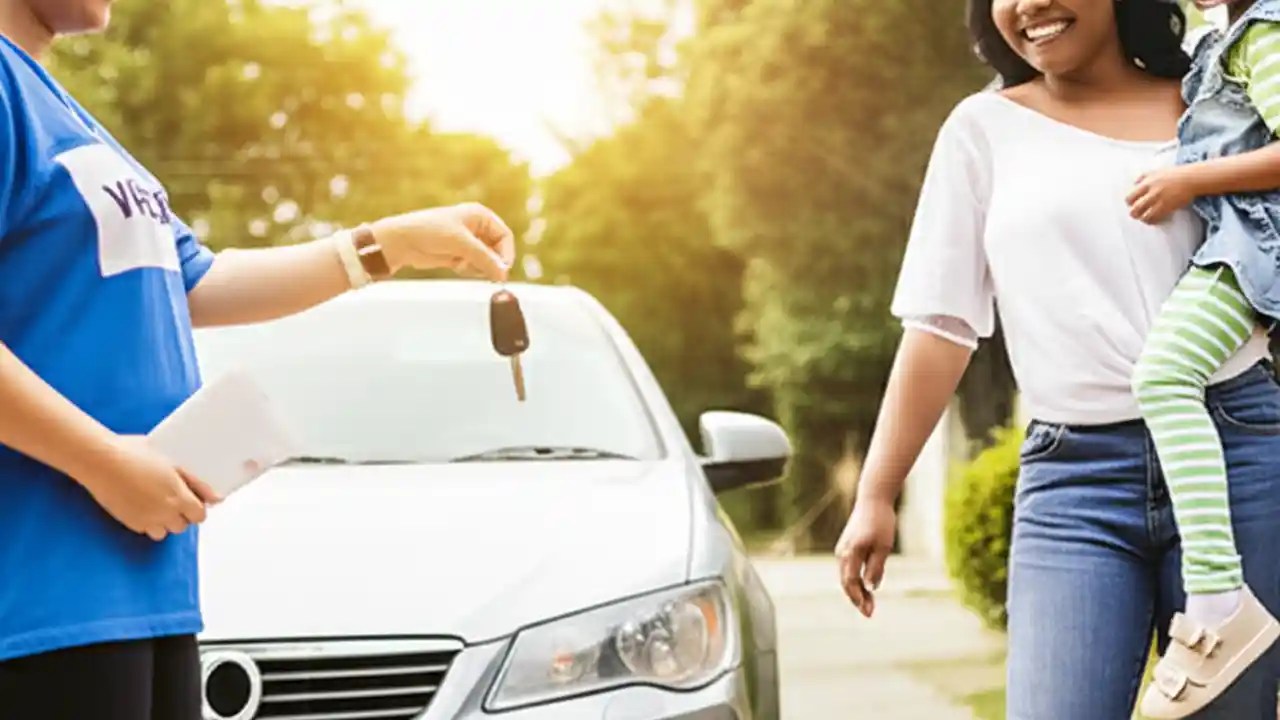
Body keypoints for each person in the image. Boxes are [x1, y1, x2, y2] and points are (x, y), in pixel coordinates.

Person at [0, 0, 515, 717]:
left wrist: (387, 245)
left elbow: (201, 280)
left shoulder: (70, 118)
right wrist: (103, 463)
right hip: (37, 600)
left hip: (147, 591)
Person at [834, 0, 1280, 717]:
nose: (1030, 5)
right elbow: (942, 325)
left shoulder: (1212, 95)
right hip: (1077, 483)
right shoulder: (982, 131)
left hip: (1237, 453)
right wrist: (876, 494)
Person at [1124, 0, 1280, 715]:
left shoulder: (1267, 31)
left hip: (1257, 245)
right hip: (1238, 240)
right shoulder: (1215, 33)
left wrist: (1189, 182)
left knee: (1163, 375)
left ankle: (1218, 592)